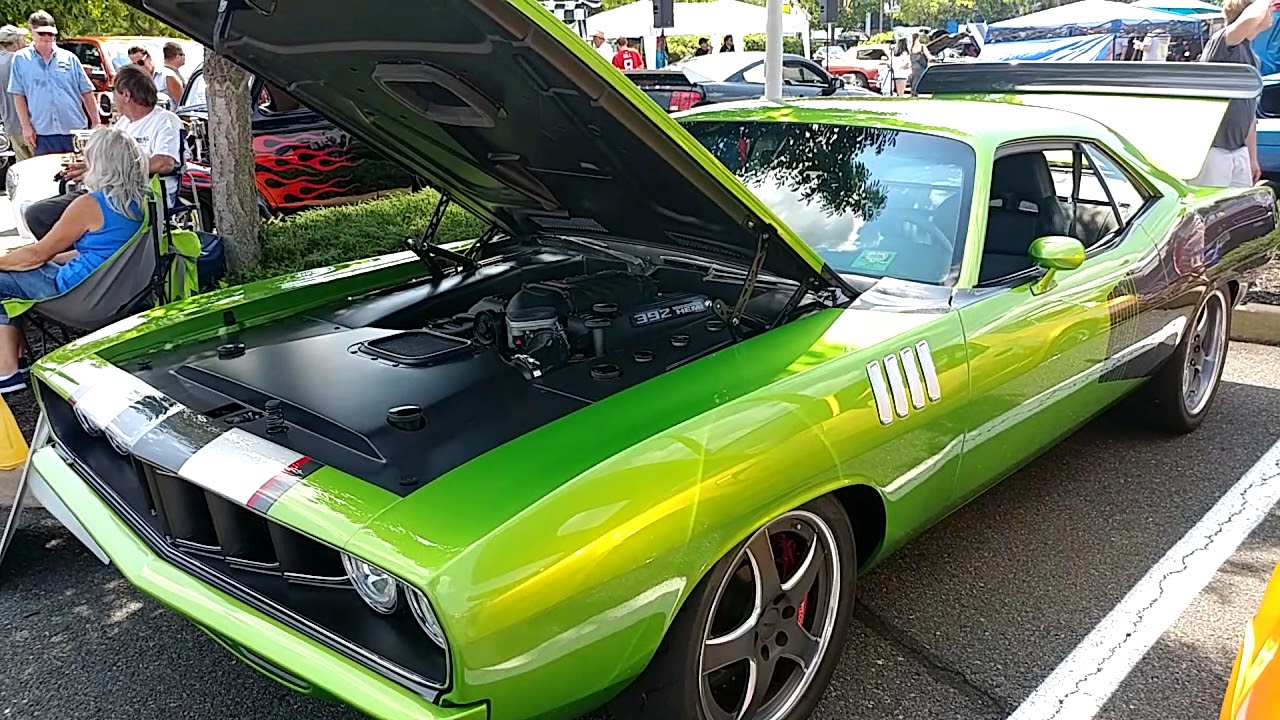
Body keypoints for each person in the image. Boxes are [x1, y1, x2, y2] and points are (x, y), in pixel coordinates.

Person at [0, 126, 149, 392]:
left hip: (77, 293)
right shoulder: (142, 201)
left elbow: (37, 254)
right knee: (14, 273)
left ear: (100, 163)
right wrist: (52, 258)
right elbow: (108, 251)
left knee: (4, 280)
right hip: (116, 290)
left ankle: (9, 370)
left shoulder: (91, 204)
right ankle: (15, 363)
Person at [24, 64, 183, 240]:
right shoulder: (123, 123)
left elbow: (164, 163)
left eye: (113, 90)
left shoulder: (165, 121)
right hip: (109, 193)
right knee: (38, 213)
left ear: (126, 95)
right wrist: (88, 167)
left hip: (139, 197)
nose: (112, 97)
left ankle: (88, 253)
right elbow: (111, 161)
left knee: (42, 216)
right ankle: (82, 252)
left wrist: (107, 170)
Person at [1191, 0, 1273, 187]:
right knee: (1211, 204)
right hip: (1212, 151)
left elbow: (1249, 112)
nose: (1271, 10)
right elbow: (1251, 17)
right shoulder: (1223, 42)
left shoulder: (1252, 57)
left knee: (1238, 204)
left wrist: (1252, 157)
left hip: (1238, 151)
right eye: (1268, 7)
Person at [6, 10, 99, 156]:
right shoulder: (20, 59)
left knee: (79, 168)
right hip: (43, 133)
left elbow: (86, 91)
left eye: (50, 34)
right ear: (32, 31)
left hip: (74, 130)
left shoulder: (69, 58)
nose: (47, 37)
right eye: (42, 33)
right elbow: (18, 95)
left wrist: (96, 122)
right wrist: (26, 126)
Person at [0, 25, 32, 161]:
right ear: (17, 42)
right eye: (23, 39)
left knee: (22, 166)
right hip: (31, 125)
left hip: (10, 125)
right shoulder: (21, 60)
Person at [908, 31, 934, 96]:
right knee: (917, 81)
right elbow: (929, 56)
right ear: (918, 38)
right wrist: (934, 59)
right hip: (919, 67)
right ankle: (914, 93)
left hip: (911, 67)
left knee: (912, 80)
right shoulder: (922, 46)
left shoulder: (910, 47)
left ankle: (913, 92)